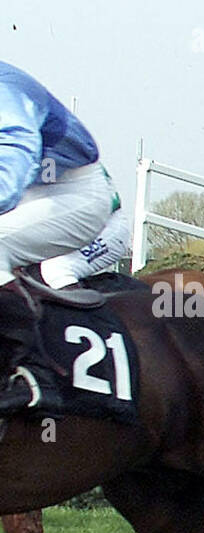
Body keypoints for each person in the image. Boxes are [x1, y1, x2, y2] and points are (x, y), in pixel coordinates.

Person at [0, 60, 121, 414]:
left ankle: (31, 373)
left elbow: (15, 152)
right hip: (31, 193)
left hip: (73, 194)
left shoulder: (4, 88)